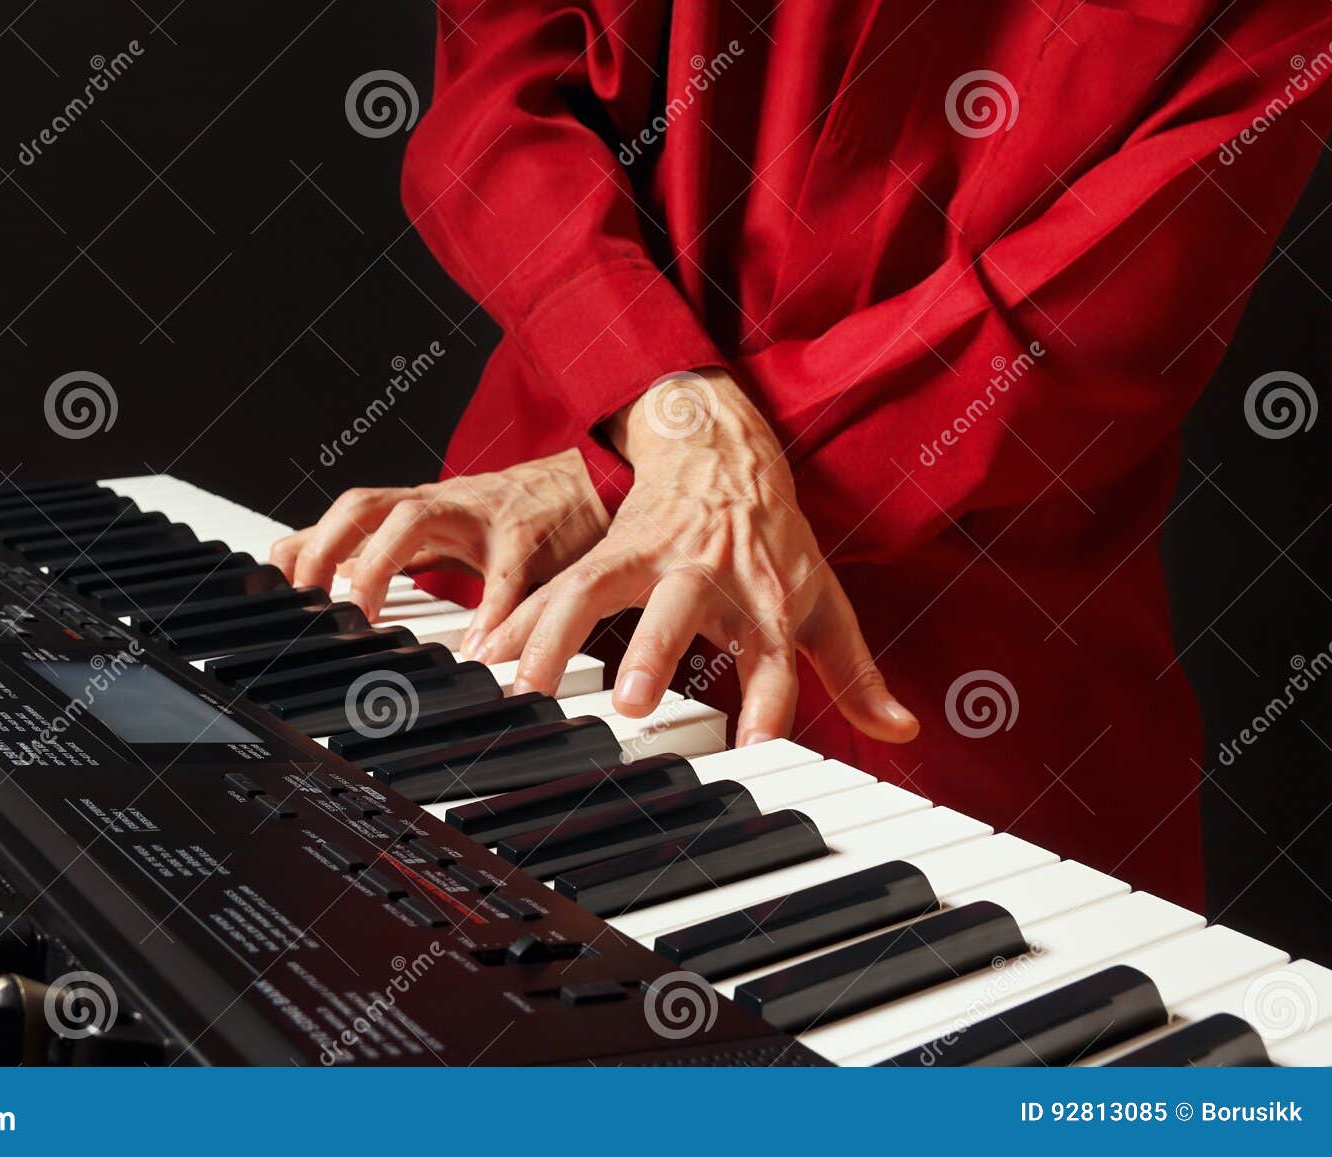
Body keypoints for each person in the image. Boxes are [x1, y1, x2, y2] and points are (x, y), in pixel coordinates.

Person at [273, 3, 1332, 910]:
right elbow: (498, 94)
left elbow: (1093, 310)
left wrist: (624, 465)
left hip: (956, 708)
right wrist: (663, 406)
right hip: (523, 602)